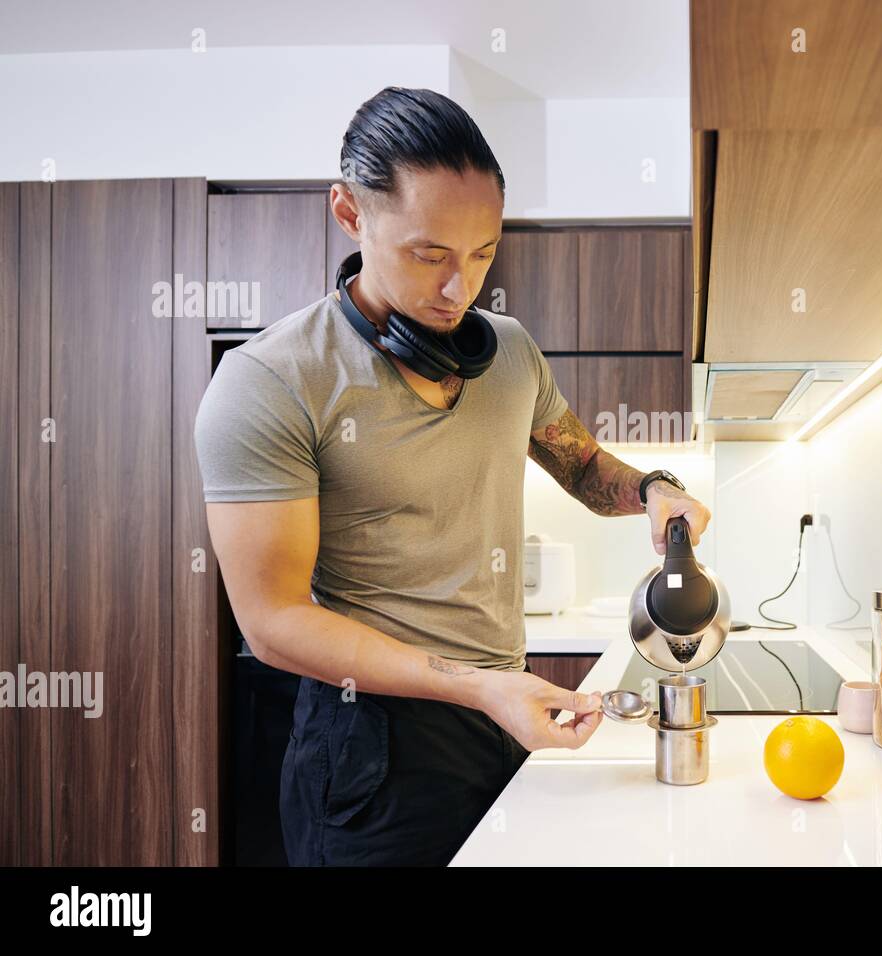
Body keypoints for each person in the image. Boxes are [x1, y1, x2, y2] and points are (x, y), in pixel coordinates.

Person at [193, 86, 711, 865]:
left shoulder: (508, 352)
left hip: (502, 713)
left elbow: (580, 462)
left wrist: (650, 489)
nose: (458, 290)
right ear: (348, 214)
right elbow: (273, 624)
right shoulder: (269, 381)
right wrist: (480, 685)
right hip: (369, 749)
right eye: (428, 253)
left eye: (482, 254)